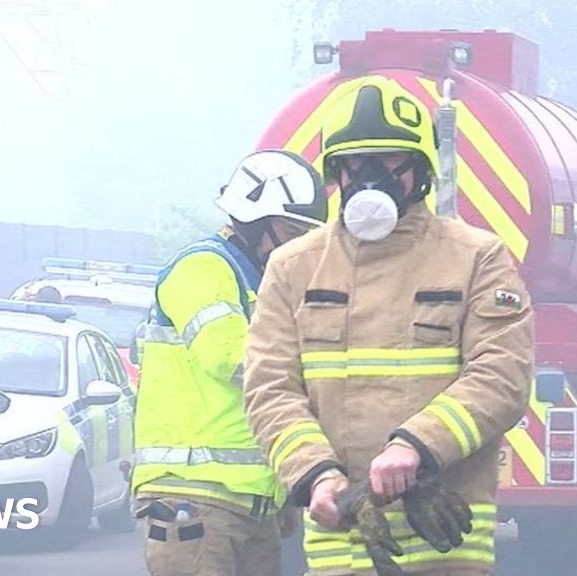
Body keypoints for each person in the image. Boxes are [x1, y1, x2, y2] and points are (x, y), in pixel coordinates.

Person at [243, 78, 534, 576]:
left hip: (445, 546)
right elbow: (269, 388)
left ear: (420, 169)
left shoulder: (476, 257)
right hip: (341, 542)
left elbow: (502, 376)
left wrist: (415, 446)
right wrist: (316, 475)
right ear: (335, 173)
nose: (370, 176)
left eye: (388, 160)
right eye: (355, 163)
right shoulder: (294, 266)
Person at [131, 149, 329, 576]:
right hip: (199, 497)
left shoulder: (257, 279)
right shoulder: (203, 267)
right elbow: (229, 357)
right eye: (293, 231)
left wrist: (281, 490)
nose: (301, 245)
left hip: (247, 501)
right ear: (257, 220)